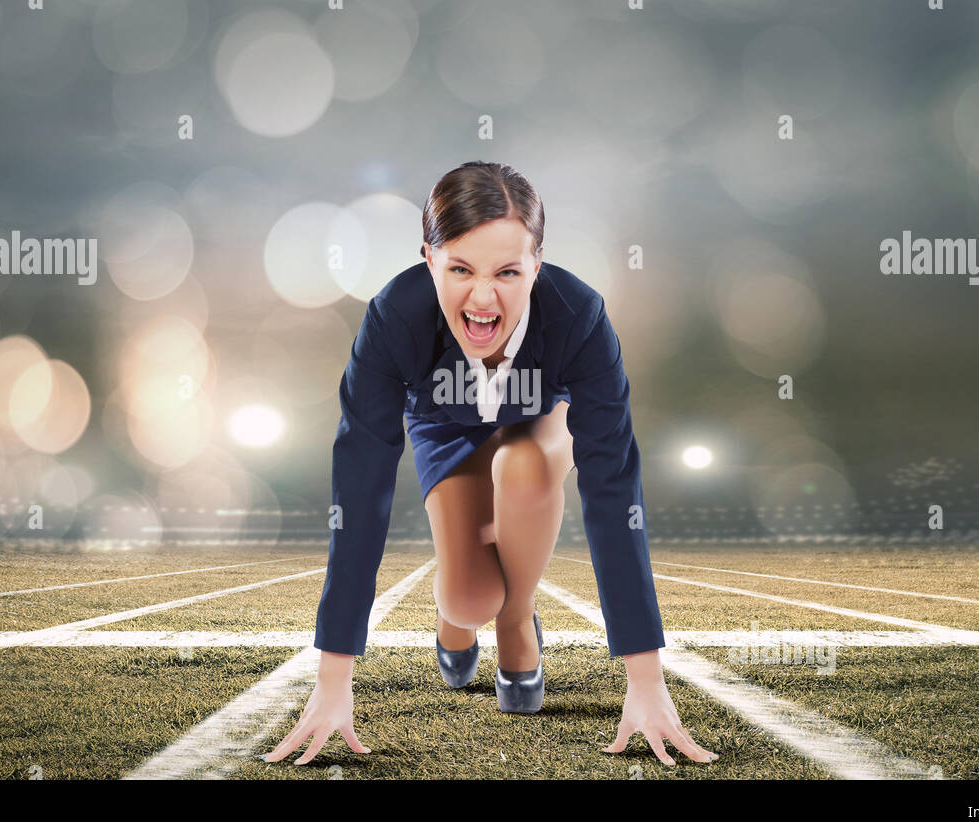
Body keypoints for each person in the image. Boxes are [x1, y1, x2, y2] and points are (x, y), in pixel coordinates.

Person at [266, 161, 718, 768]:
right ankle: (463, 616)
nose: (483, 298)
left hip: (536, 429)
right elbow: (360, 488)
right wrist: (332, 682)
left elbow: (613, 487)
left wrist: (646, 679)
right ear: (428, 259)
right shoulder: (394, 318)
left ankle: (516, 622)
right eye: (460, 269)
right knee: (467, 600)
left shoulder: (578, 316)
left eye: (508, 270)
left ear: (538, 263)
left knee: (524, 467)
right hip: (445, 432)